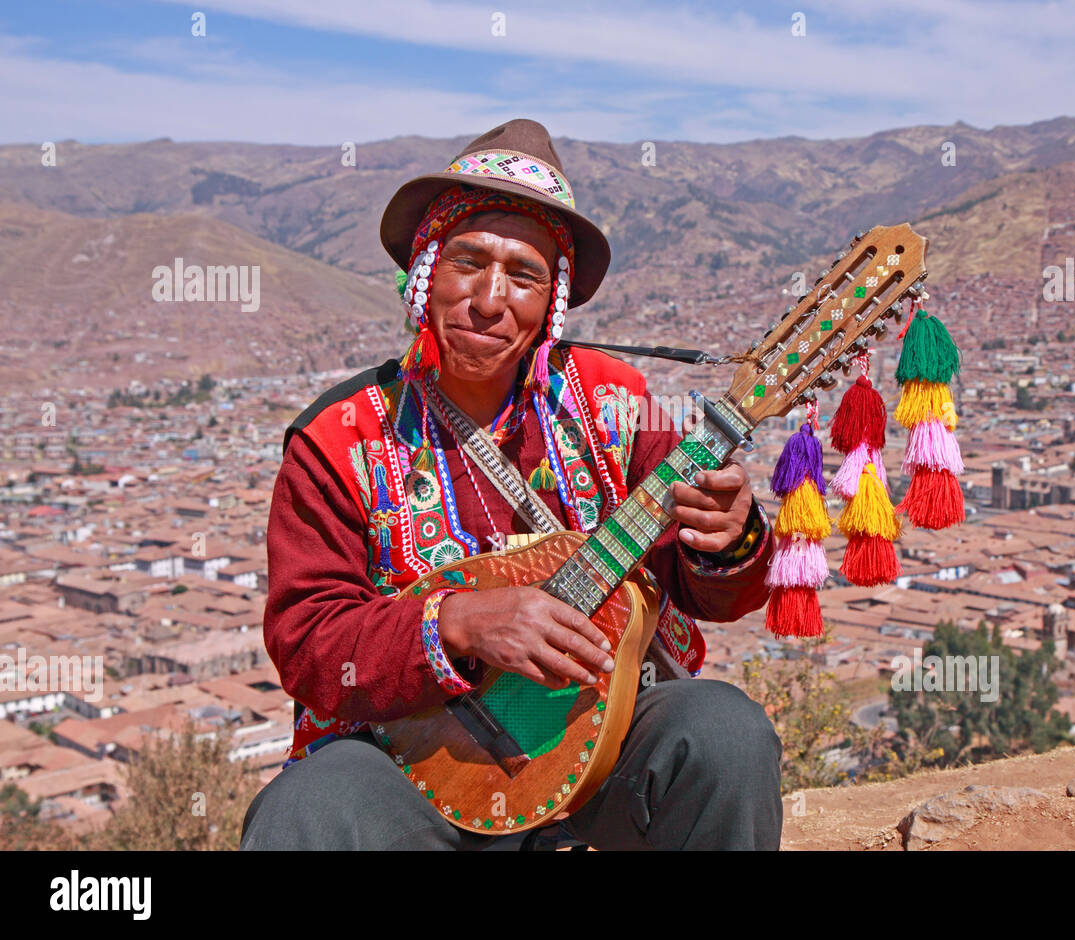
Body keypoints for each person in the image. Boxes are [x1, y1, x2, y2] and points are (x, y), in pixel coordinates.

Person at [239, 119, 782, 851]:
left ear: (551, 302)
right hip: (416, 771)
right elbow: (309, 643)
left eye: (523, 275)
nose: (491, 300)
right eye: (468, 262)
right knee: (305, 812)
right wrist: (459, 624)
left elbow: (706, 592)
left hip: (599, 744)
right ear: (426, 273)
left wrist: (727, 539)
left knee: (723, 733)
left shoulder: (615, 402)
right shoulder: (338, 441)